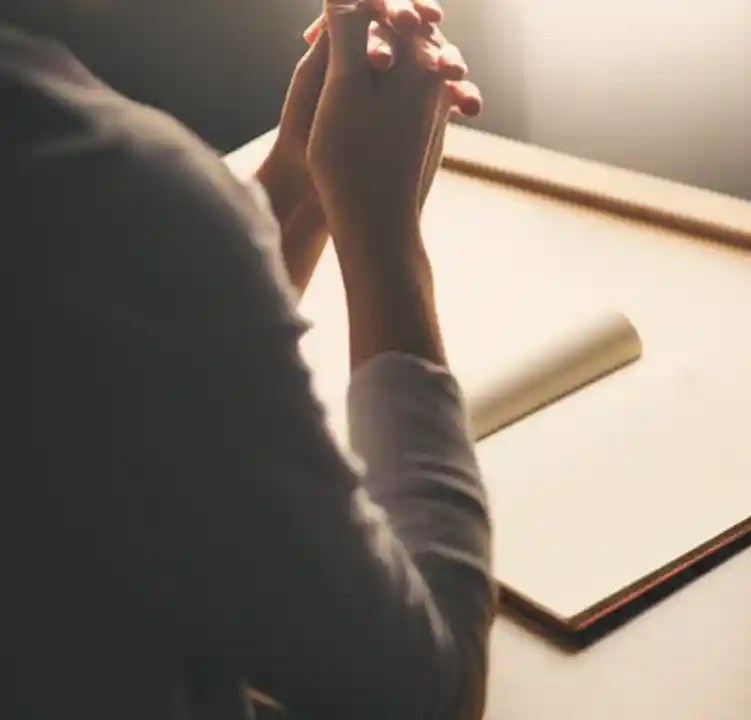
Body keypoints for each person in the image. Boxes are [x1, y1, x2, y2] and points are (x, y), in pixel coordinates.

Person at [8, 1, 496, 717]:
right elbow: (426, 696)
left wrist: (298, 189)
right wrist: (384, 235)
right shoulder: (104, 185)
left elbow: (121, 389)